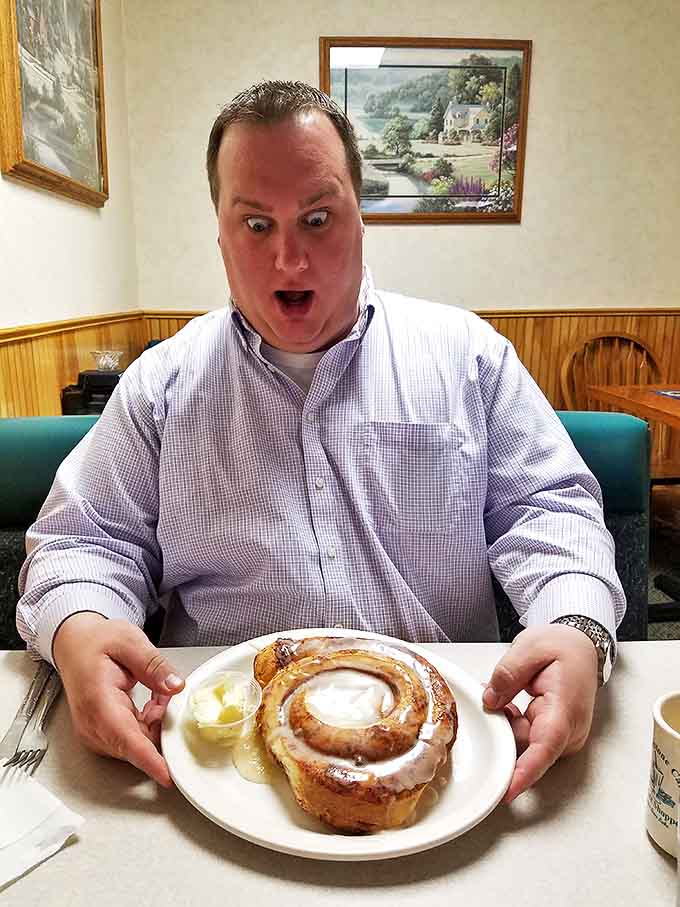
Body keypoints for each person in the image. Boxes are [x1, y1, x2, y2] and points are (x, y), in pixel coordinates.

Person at [17, 81, 625, 803]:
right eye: (255, 226)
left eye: (316, 218)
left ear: (360, 219)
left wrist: (578, 626)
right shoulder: (162, 385)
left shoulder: (467, 356)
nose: (289, 262)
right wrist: (80, 628)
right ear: (218, 233)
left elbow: (551, 512)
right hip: (223, 769)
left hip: (455, 754)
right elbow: (82, 541)